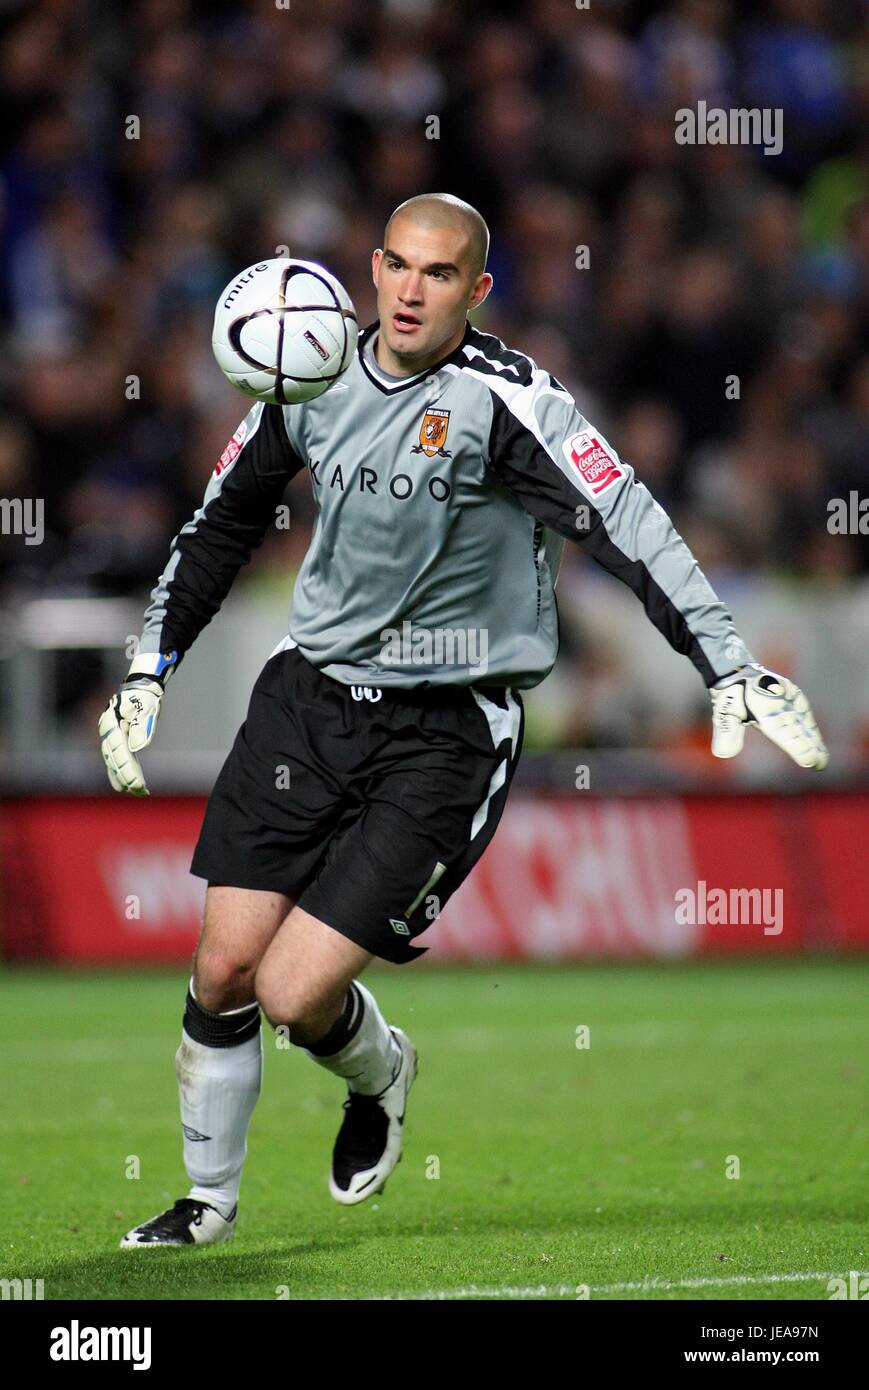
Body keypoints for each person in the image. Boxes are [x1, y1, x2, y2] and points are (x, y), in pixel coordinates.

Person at [99, 193, 827, 1248]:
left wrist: (724, 655)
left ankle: (381, 1071)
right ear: (372, 266)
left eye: (437, 274)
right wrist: (146, 666)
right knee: (220, 969)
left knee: (297, 996)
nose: (407, 288)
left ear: (475, 292)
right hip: (307, 700)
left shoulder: (508, 403)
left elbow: (625, 520)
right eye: (394, 263)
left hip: (442, 734)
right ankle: (206, 1204)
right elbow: (218, 529)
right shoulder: (307, 370)